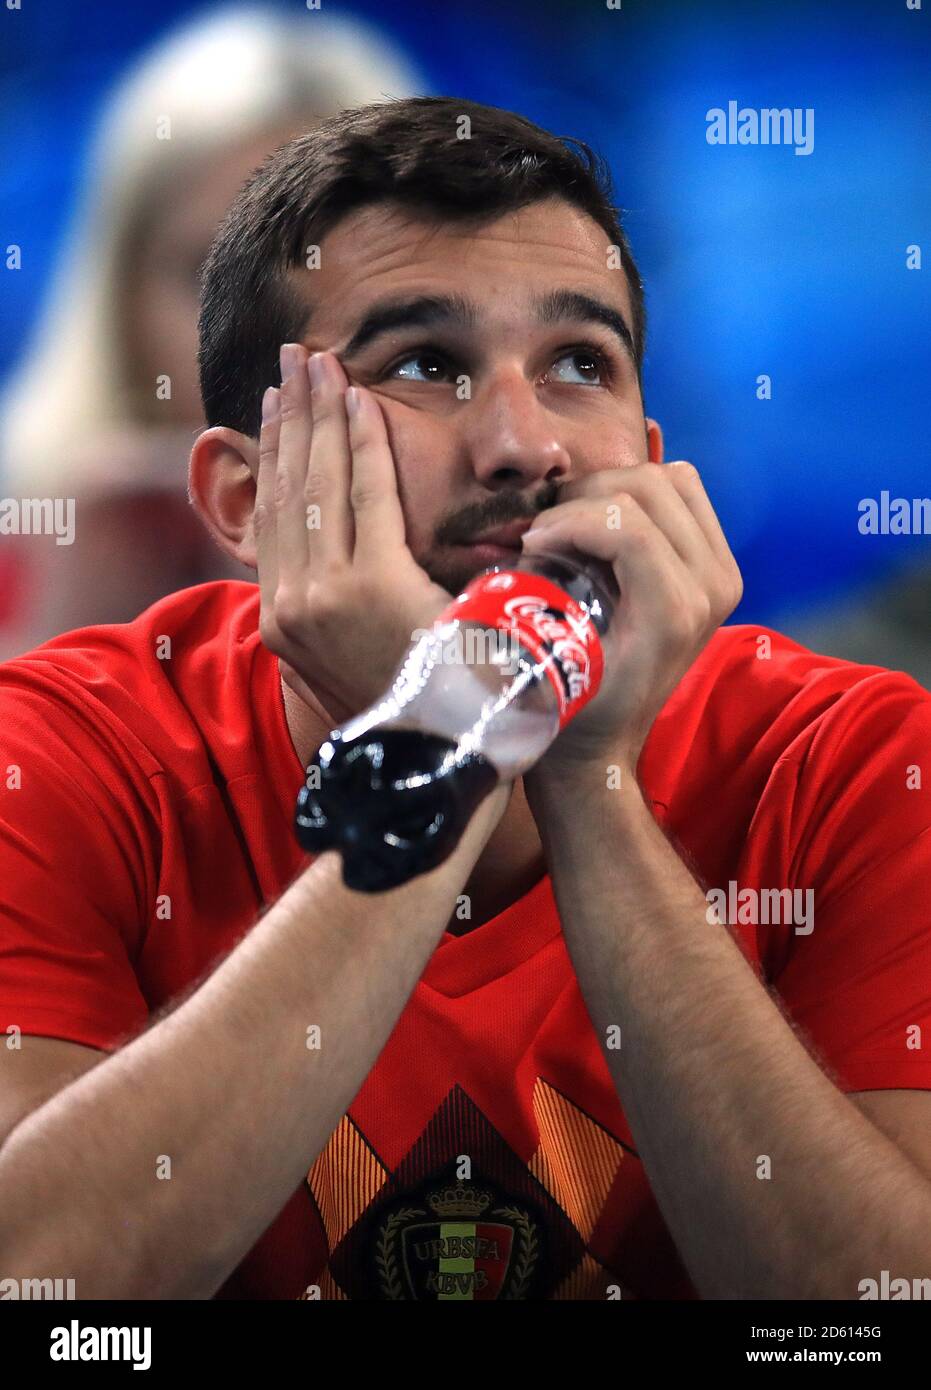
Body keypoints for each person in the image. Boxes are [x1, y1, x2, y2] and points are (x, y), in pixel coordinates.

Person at [0, 96, 929, 1302]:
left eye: (577, 364)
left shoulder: (850, 756)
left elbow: (875, 1315)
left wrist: (585, 776)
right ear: (245, 497)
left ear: (646, 452)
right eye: (426, 364)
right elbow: (39, 1292)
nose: (522, 446)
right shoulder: (63, 746)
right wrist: (451, 732)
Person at [0, 6, 423, 658]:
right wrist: (65, 646)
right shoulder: (31, 548)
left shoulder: (509, 578)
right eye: (210, 273)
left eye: (323, 270)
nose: (274, 341)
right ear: (121, 300)